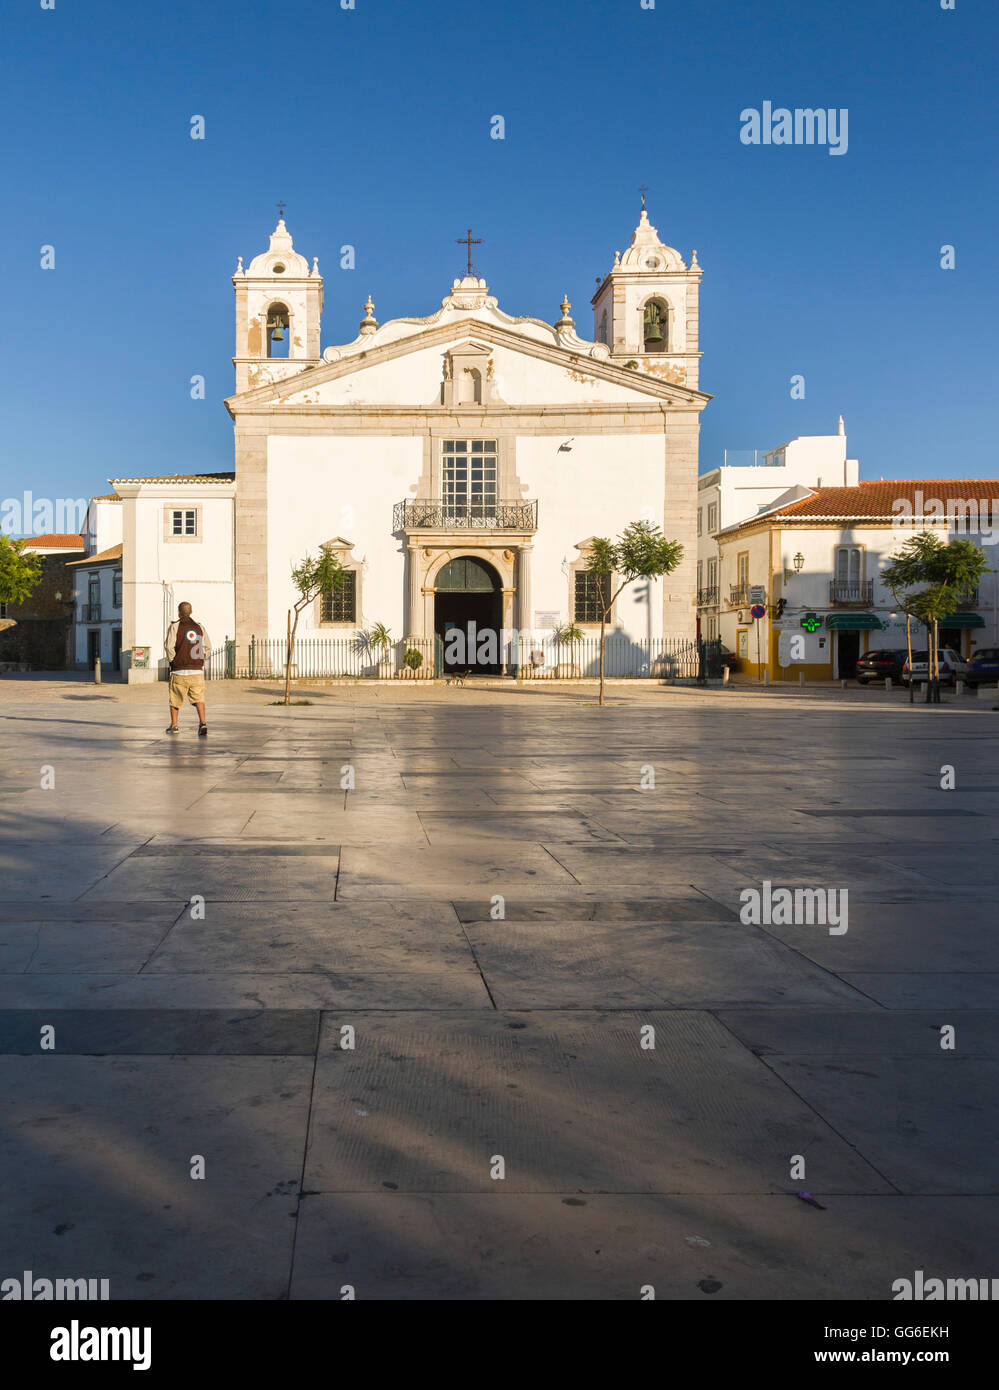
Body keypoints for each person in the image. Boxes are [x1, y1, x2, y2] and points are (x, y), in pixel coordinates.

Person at [165, 602, 211, 736]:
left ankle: (174, 725)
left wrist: (173, 660)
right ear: (191, 612)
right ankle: (202, 723)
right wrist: (201, 659)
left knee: (175, 699)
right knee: (199, 698)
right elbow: (208, 647)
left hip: (179, 670)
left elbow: (169, 646)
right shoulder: (199, 627)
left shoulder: (175, 626)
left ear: (178, 612)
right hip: (196, 670)